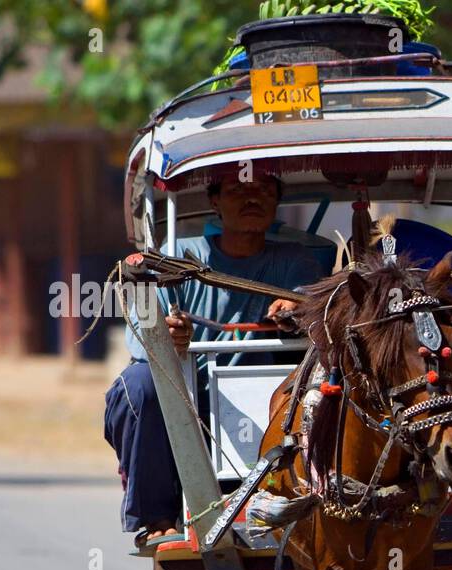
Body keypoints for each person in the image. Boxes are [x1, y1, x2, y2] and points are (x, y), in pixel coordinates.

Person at [103, 172, 321, 548]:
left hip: (269, 406)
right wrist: (166, 336)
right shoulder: (179, 258)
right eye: (237, 190)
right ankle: (157, 519)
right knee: (136, 385)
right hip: (188, 401)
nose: (252, 198)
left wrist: (296, 309)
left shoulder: (295, 262)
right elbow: (141, 336)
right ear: (215, 201)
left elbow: (310, 303)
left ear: (277, 203)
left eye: (264, 191)